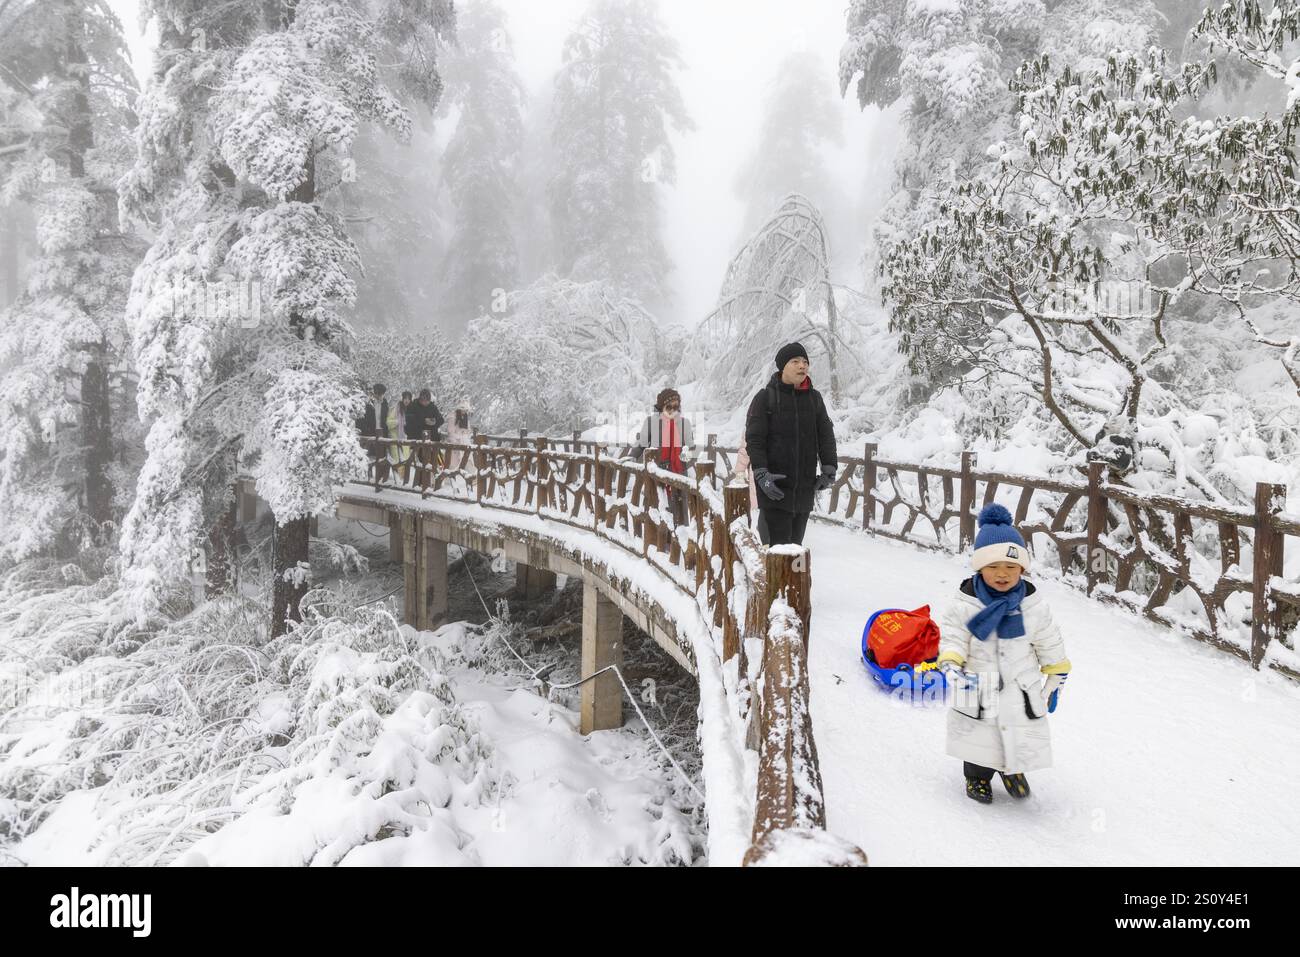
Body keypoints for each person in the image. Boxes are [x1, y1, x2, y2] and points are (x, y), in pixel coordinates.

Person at [935, 503, 1073, 804]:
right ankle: (977, 777)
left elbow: (1049, 641)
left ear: (1022, 569)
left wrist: (1056, 673)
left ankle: (1012, 769)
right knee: (979, 738)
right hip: (978, 684)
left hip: (1019, 687)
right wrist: (951, 660)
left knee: (1019, 735)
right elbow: (954, 636)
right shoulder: (965, 604)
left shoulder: (1034, 606)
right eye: (993, 566)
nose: (1002, 574)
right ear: (979, 567)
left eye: (1011, 567)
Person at [743, 342, 837, 546]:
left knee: (795, 551)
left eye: (805, 362)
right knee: (776, 551)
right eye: (795, 361)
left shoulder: (814, 399)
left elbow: (825, 435)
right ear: (782, 367)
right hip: (774, 488)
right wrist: (761, 473)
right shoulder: (765, 398)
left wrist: (829, 468)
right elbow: (754, 439)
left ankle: (789, 578)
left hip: (804, 490)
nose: (802, 366)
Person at [633, 388, 693, 527]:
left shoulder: (685, 423)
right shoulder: (651, 422)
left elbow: (691, 447)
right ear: (661, 407)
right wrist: (630, 457)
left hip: (678, 473)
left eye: (676, 406)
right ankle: (656, 543)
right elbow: (641, 444)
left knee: (679, 510)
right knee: (657, 507)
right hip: (656, 473)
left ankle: (678, 543)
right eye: (669, 406)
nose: (673, 409)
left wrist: (688, 454)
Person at [404, 389, 445, 487]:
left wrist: (434, 422)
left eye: (427, 401)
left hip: (432, 438)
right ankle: (421, 483)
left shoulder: (432, 407)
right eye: (423, 401)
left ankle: (433, 481)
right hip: (417, 438)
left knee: (433, 460)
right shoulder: (412, 406)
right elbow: (409, 422)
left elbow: (441, 419)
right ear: (420, 399)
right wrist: (423, 421)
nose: (425, 403)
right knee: (422, 461)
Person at [356, 383, 390, 481]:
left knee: (381, 455)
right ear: (374, 393)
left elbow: (385, 419)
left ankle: (381, 477)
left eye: (381, 394)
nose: (379, 395)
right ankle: (368, 475)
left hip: (381, 432)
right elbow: (361, 419)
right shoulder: (368, 404)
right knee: (369, 454)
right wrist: (365, 430)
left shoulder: (385, 404)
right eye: (377, 393)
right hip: (369, 432)